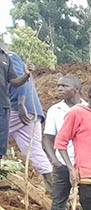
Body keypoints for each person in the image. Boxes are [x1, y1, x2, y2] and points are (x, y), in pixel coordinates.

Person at [43, 75, 85, 210]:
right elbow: (47, 138)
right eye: (58, 86)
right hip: (62, 163)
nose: (59, 89)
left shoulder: (87, 108)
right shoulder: (55, 110)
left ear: (76, 89)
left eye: (64, 86)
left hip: (84, 164)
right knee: (58, 203)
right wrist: (55, 161)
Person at [7, 52, 51, 185]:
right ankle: (55, 190)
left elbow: (21, 79)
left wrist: (20, 104)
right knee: (35, 150)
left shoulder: (8, 57)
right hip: (29, 109)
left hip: (19, 108)